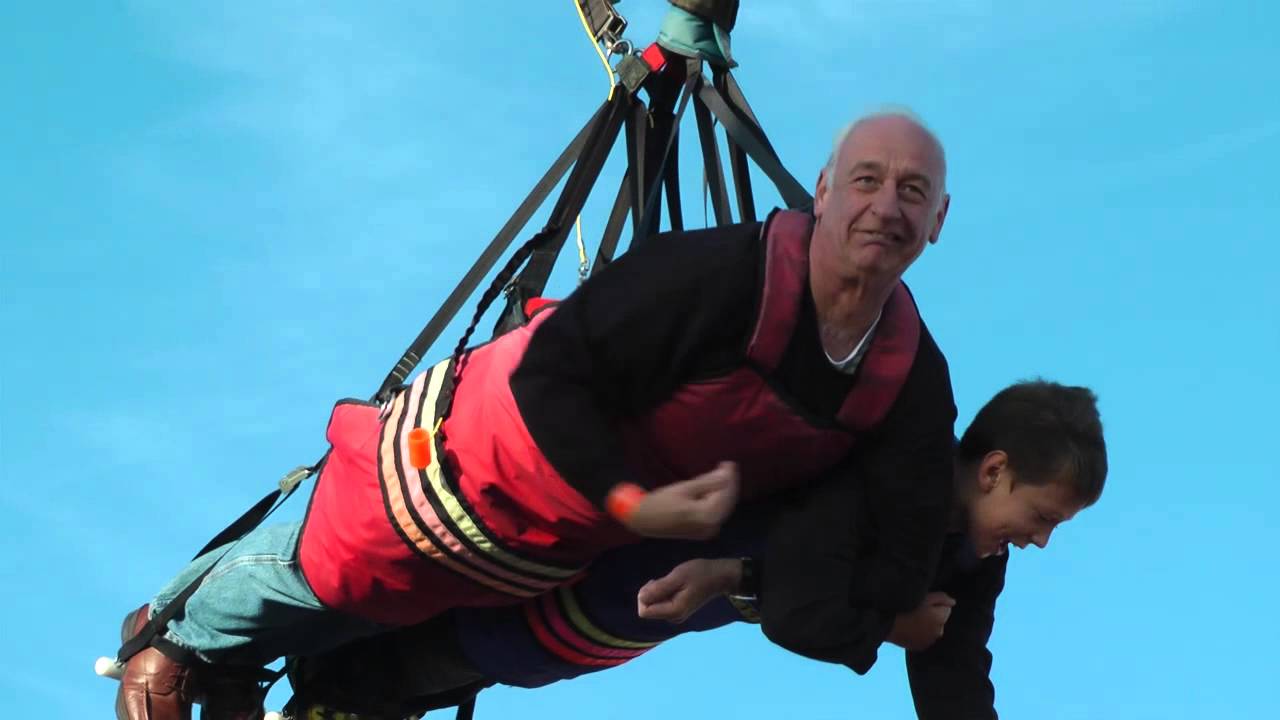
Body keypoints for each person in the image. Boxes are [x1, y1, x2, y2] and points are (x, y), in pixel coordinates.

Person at [115, 109, 956, 720]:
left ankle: (320, 688)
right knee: (349, 559)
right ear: (823, 190)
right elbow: (556, 371)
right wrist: (631, 499)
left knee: (464, 622)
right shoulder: (714, 277)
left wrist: (873, 611)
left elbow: (903, 524)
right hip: (486, 456)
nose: (887, 207)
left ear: (938, 221)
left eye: (913, 192)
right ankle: (178, 640)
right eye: (868, 180)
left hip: (570, 537)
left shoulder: (907, 376)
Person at [282, 379, 1108, 720]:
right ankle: (279, 656)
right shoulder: (893, 480)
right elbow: (803, 597)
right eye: (1042, 517)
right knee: (430, 637)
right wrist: (886, 624)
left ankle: (327, 678)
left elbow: (955, 670)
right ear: (993, 469)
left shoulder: (973, 557)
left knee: (470, 659)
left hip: (617, 622)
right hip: (613, 574)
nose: (1036, 541)